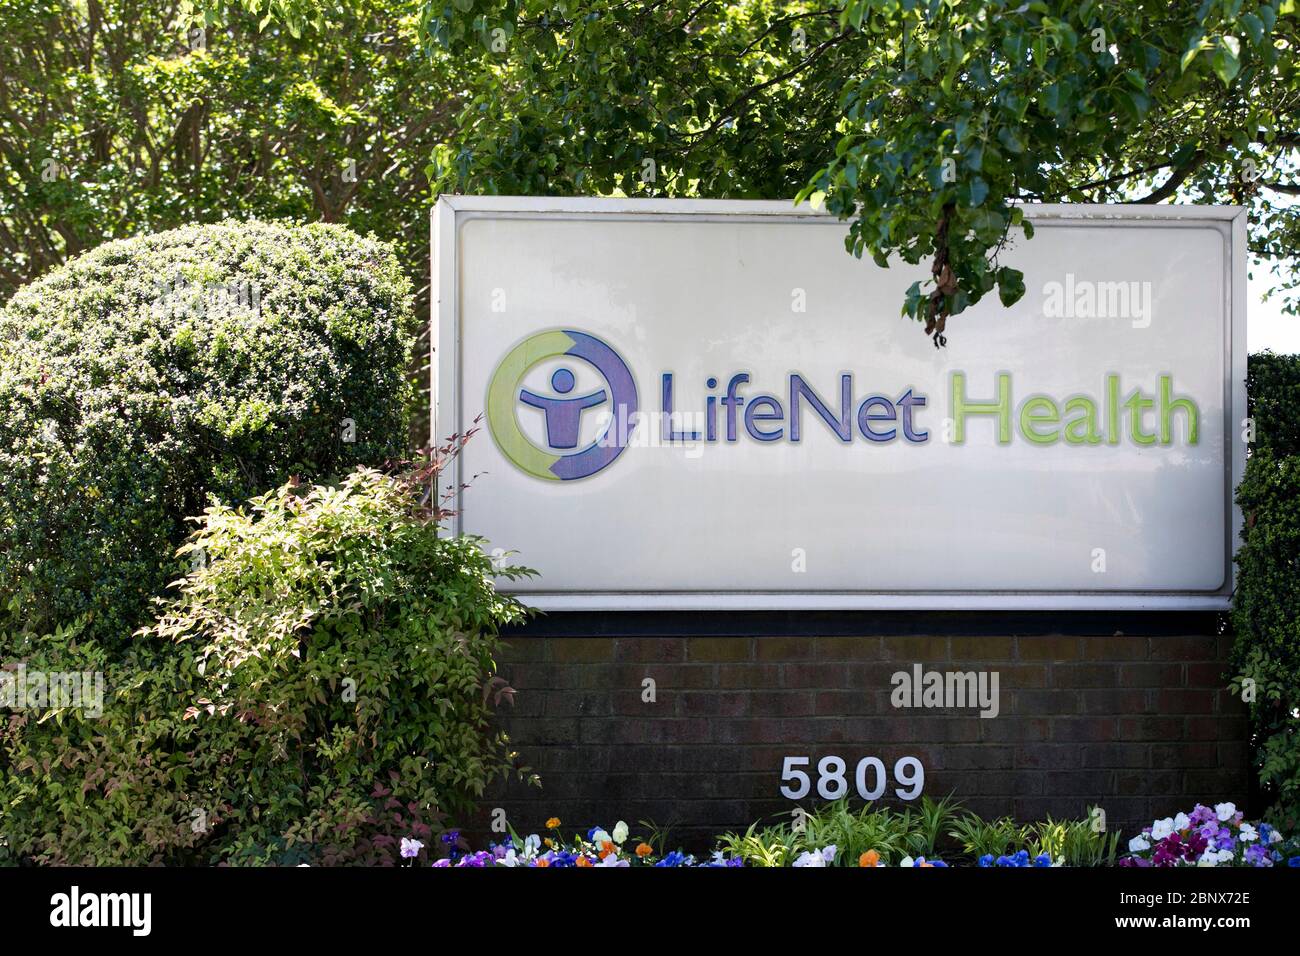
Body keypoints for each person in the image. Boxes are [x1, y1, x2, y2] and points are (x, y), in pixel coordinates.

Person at [519, 366, 607, 449]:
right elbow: (599, 397)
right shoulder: (577, 402)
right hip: (567, 444)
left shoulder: (548, 402)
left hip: (558, 444)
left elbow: (527, 397)